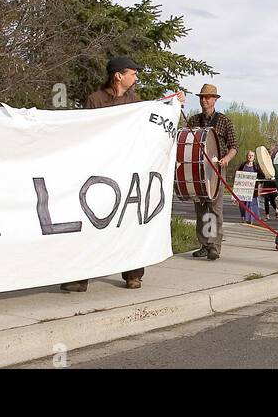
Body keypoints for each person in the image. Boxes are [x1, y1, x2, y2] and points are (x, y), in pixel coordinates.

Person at [62, 57, 186, 291]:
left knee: (131, 221)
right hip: (101, 172)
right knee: (93, 223)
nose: (136, 77)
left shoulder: (135, 102)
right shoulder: (95, 100)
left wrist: (173, 103)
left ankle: (133, 274)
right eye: (133, 73)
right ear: (118, 75)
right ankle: (80, 277)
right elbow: (85, 133)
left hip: (129, 171)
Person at [185, 84, 237, 260]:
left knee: (214, 209)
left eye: (208, 97)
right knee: (201, 209)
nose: (204, 100)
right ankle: (204, 244)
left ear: (215, 100)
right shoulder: (193, 121)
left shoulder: (224, 121)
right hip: (197, 171)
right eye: (202, 97)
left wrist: (226, 159)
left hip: (216, 170)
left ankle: (214, 246)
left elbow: (233, 147)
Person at [236, 151, 262, 223]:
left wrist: (259, 187)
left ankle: (252, 219)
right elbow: (238, 175)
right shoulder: (242, 165)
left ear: (254, 157)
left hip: (253, 189)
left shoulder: (256, 166)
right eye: (249, 155)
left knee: (252, 204)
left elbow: (260, 177)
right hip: (243, 189)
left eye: (252, 155)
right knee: (243, 204)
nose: (250, 157)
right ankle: (243, 217)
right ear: (246, 156)